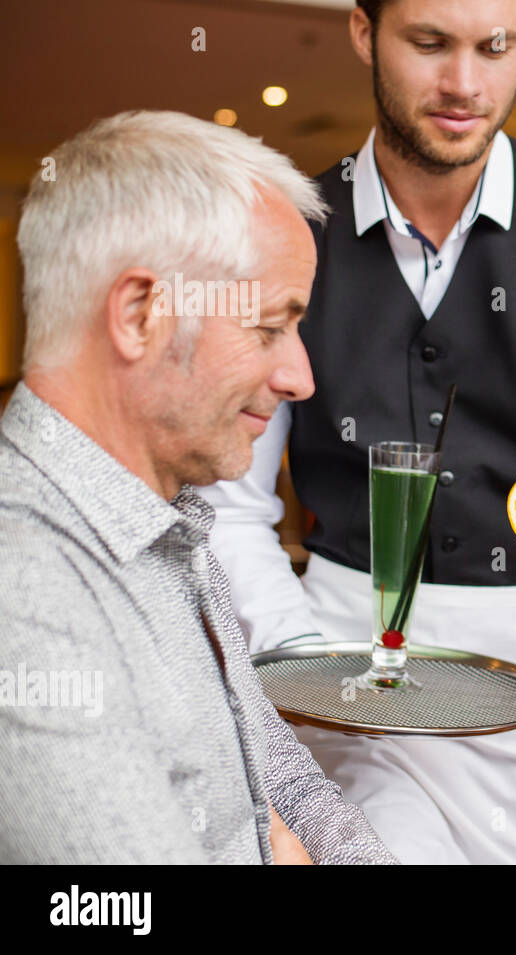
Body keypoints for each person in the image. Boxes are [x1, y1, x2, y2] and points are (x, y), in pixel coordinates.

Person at [199, 0, 516, 863]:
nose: (465, 84)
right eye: (430, 44)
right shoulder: (290, 233)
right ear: (364, 32)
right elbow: (231, 506)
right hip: (338, 667)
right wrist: (300, 659)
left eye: (495, 47)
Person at [0, 110, 398, 864]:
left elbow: (283, 780)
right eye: (268, 327)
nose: (301, 377)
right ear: (140, 313)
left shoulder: (169, 518)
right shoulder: (22, 585)